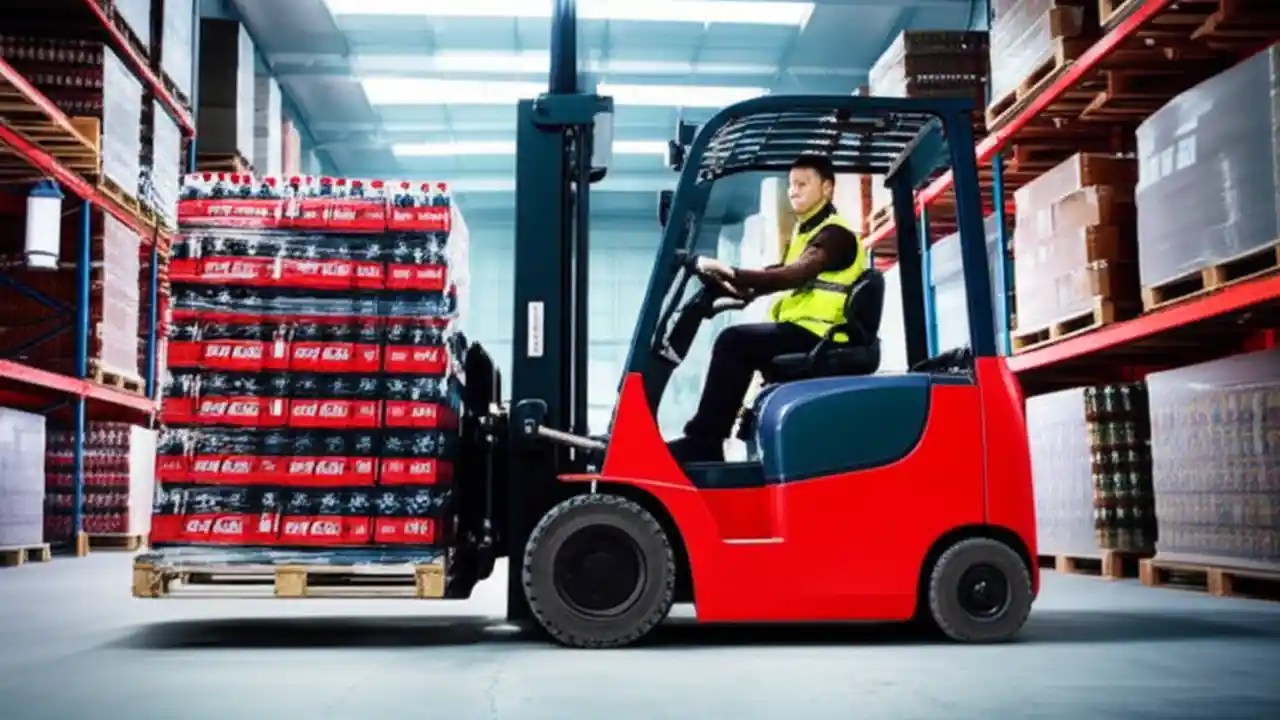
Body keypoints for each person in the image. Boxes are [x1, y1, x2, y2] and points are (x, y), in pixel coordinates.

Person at [667, 153, 867, 463]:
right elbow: (780, 272)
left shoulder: (835, 235)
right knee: (739, 343)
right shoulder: (809, 233)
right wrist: (737, 286)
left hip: (821, 335)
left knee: (734, 342)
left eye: (802, 184)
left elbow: (794, 274)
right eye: (791, 185)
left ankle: (704, 442)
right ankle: (708, 439)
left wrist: (735, 273)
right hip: (808, 333)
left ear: (826, 188)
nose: (793, 191)